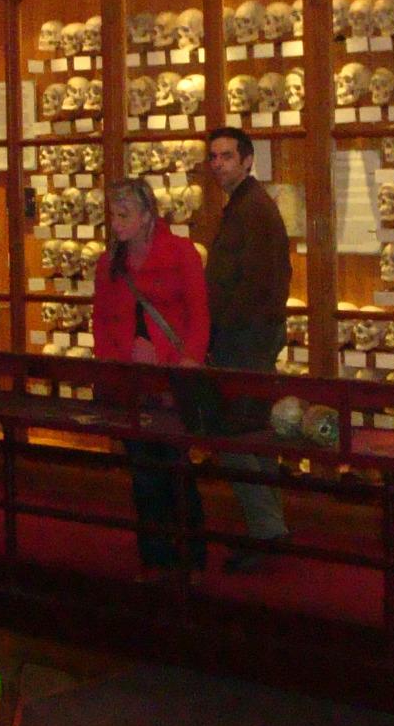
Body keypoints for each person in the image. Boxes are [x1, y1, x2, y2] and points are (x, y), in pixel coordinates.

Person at [91, 177, 211, 579]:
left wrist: (185, 363)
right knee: (143, 471)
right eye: (114, 215)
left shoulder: (180, 253)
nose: (116, 223)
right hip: (132, 382)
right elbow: (102, 319)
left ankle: (191, 552)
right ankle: (156, 554)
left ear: (146, 216)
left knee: (176, 467)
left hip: (171, 379)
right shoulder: (110, 262)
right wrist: (113, 364)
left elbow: (198, 315)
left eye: (124, 215)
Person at [198, 126, 294, 573]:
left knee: (235, 435)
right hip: (245, 338)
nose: (218, 165)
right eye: (213, 157)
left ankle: (267, 529)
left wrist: (221, 333)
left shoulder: (253, 210)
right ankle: (270, 525)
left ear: (248, 160)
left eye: (227, 157)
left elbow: (254, 284)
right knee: (252, 435)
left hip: (245, 341)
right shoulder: (243, 206)